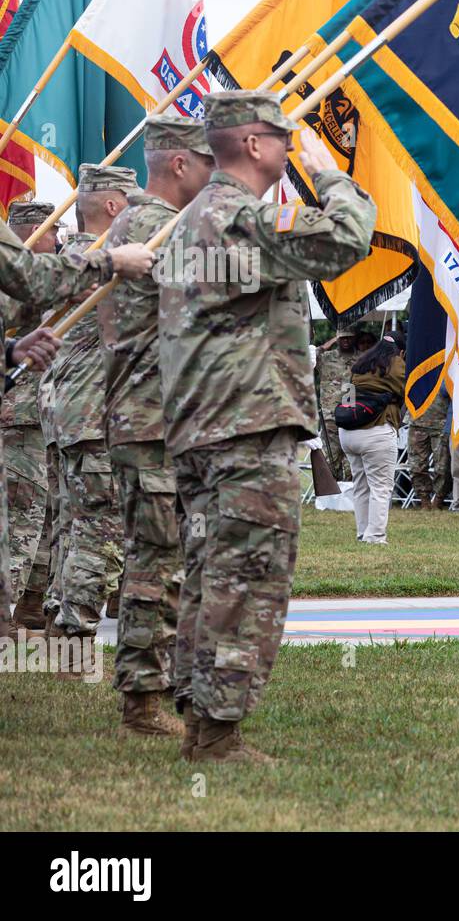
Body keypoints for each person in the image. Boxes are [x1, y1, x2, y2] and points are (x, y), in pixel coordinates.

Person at [158, 90, 376, 763]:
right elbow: (347, 237)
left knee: (210, 574)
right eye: (283, 138)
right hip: (245, 430)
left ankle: (203, 722)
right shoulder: (240, 218)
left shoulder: (194, 219)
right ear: (253, 144)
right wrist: (330, 172)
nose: (290, 148)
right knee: (248, 578)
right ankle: (219, 734)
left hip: (202, 428)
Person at [99, 117, 215, 735]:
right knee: (158, 558)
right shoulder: (157, 228)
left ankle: (154, 683)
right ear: (178, 164)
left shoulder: (132, 225)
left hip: (143, 414)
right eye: (205, 164)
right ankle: (141, 700)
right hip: (152, 418)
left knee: (156, 551)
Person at [0, 192, 154, 641]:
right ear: (112, 207)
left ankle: (40, 614)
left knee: (58, 523)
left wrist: (11, 350)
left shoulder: (66, 266)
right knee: (79, 526)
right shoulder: (76, 268)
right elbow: (28, 283)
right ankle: (65, 637)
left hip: (56, 418)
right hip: (79, 420)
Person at [43, 164, 140, 676]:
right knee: (98, 533)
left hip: (69, 418)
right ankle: (73, 642)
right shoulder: (97, 263)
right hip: (93, 419)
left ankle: (58, 631)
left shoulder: (70, 258)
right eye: (133, 202)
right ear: (113, 207)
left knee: (70, 529)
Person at [1, 202, 61, 638]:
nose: (57, 240)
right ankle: (4, 615)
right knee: (21, 519)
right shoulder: (21, 282)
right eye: (52, 231)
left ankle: (28, 608)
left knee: (39, 517)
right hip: (17, 418)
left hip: (37, 418)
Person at [340, 331, 406, 544]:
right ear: (401, 351)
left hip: (348, 432)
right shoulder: (396, 363)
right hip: (376, 431)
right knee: (380, 487)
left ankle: (362, 533)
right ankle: (375, 536)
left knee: (361, 486)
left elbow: (347, 396)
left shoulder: (359, 364)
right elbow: (407, 390)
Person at [315, 328, 358, 482]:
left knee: (351, 458)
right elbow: (307, 357)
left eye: (349, 337)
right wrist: (329, 342)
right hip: (330, 415)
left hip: (352, 415)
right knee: (330, 456)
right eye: (342, 338)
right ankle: (332, 493)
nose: (346, 341)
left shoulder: (361, 359)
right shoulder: (326, 357)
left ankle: (350, 492)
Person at [407, 384, 450, 509]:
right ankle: (424, 499)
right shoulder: (417, 366)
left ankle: (439, 499)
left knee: (443, 466)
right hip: (416, 422)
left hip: (440, 423)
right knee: (416, 465)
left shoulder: (447, 368)